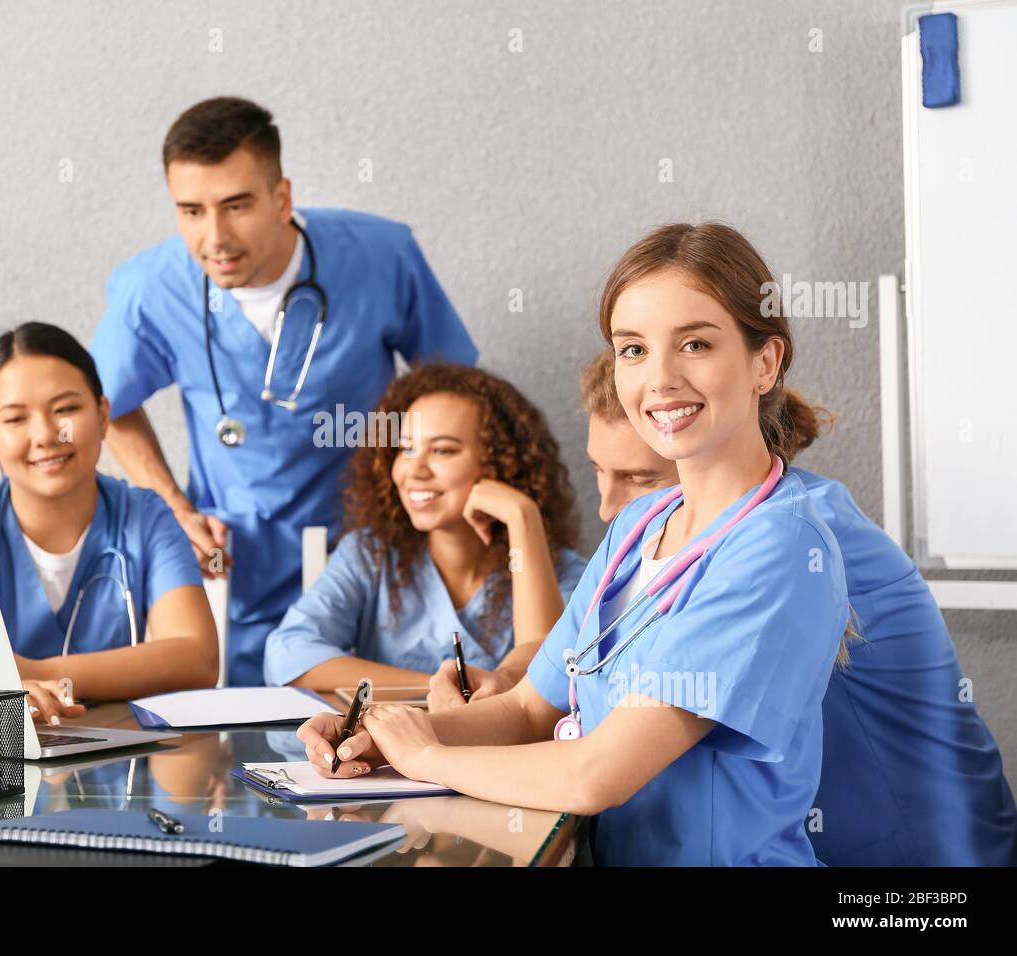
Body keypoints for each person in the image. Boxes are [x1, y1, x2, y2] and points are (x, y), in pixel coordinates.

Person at [299, 222, 852, 866]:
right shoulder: (640, 525)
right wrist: (378, 734)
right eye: (633, 349)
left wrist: (424, 755)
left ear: (765, 362)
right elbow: (531, 708)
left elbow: (595, 775)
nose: (660, 379)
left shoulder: (778, 546)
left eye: (695, 344)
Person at [537, 347, 1013, 866]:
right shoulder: (667, 536)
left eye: (641, 480)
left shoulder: (792, 538)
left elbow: (603, 762)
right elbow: (584, 669)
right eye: (600, 473)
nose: (610, 510)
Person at [89, 97, 477, 685]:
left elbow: (458, 394)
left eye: (236, 205)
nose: (213, 237)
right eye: (190, 210)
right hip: (232, 558)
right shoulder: (151, 287)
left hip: (366, 547)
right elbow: (108, 406)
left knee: (368, 730)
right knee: (240, 742)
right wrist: (174, 508)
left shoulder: (381, 255)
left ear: (282, 197)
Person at [0, 323, 217, 724]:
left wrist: (31, 672)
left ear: (103, 415)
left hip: (114, 768)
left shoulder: (146, 518)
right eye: (16, 419)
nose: (45, 435)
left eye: (65, 409)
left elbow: (196, 657)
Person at [263, 364, 586, 692]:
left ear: (501, 462)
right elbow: (287, 656)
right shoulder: (369, 555)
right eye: (406, 448)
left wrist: (522, 517)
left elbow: (550, 680)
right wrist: (442, 687)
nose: (414, 470)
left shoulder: (569, 575)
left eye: (442, 450)